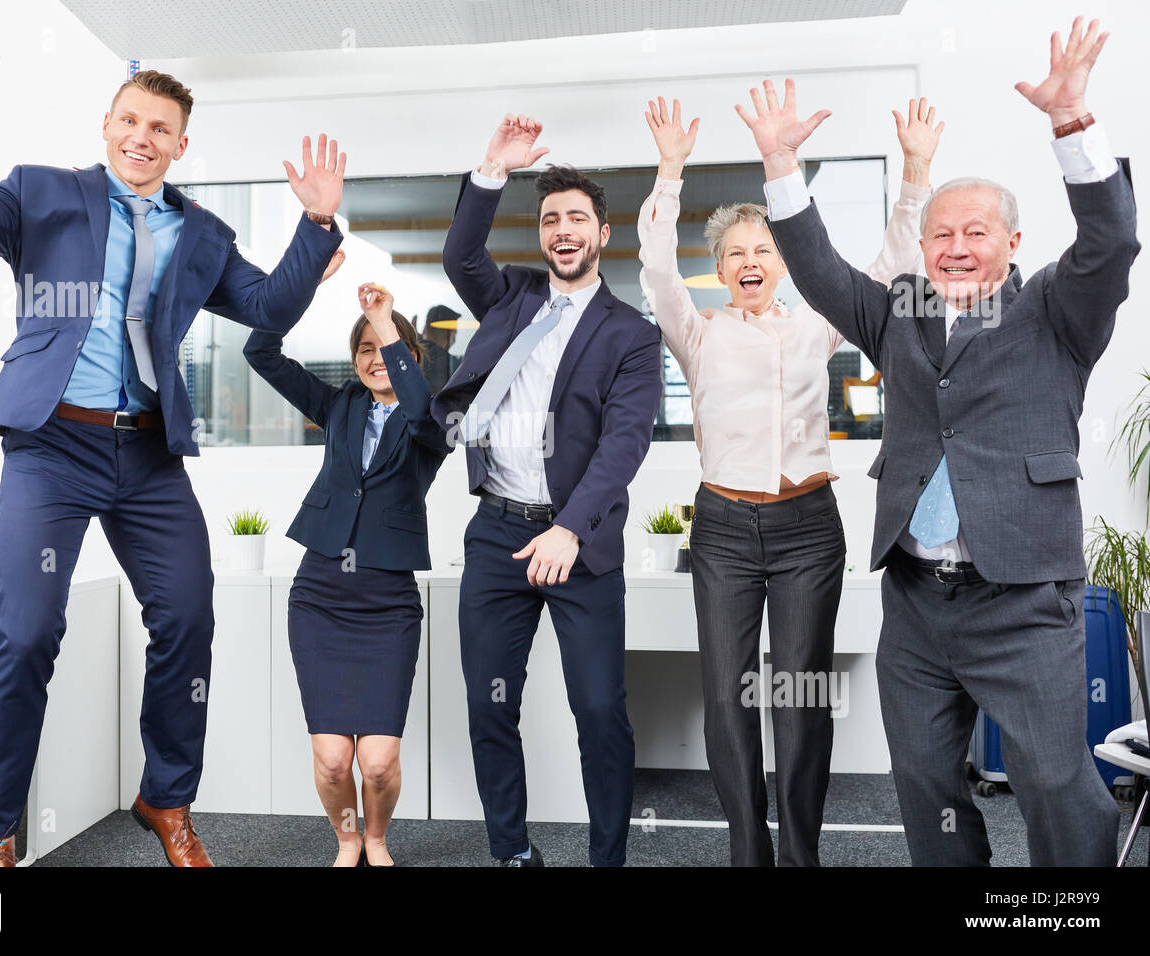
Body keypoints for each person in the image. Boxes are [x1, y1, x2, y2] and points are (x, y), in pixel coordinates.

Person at [0, 7, 346, 866]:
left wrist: (316, 227)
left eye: (162, 129)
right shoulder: (43, 194)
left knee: (188, 618)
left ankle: (165, 797)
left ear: (182, 146)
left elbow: (268, 310)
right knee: (27, 630)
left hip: (146, 454)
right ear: (107, 126)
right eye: (131, 121)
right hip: (50, 447)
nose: (143, 138)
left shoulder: (204, 235)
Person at [741, 17, 1138, 865]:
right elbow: (818, 272)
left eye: (976, 233)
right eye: (942, 236)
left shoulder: (1058, 313)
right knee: (925, 788)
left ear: (1012, 243)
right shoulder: (899, 314)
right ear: (923, 248)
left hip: (1026, 601)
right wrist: (781, 168)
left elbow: (1111, 243)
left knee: (1054, 787)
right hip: (918, 602)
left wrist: (1071, 121)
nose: (956, 248)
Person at [637, 95, 940, 866]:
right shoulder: (694, 331)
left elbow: (886, 268)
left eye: (764, 250)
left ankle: (801, 850)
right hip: (726, 531)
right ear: (720, 267)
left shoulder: (817, 323)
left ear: (782, 261)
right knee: (727, 697)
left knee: (801, 697)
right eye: (735, 252)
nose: (749, 262)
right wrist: (670, 169)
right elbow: (654, 263)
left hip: (808, 527)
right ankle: (749, 848)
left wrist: (914, 173)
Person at [431, 115, 663, 867]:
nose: (563, 230)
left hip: (580, 546)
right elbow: (461, 251)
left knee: (599, 711)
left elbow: (623, 444)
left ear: (602, 233)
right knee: (489, 705)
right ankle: (512, 854)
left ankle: (607, 859)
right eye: (551, 219)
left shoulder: (630, 333)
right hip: (497, 535)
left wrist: (570, 529)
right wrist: (491, 167)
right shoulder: (511, 297)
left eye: (577, 219)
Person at [242, 279, 451, 867]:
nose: (374, 358)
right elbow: (260, 353)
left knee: (377, 761)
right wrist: (303, 282)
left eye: (386, 349)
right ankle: (348, 839)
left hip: (388, 604)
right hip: (320, 596)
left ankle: (378, 840)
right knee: (334, 758)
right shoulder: (337, 407)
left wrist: (386, 324)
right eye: (363, 349)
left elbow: (418, 406)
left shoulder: (429, 421)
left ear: (407, 355)